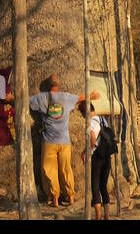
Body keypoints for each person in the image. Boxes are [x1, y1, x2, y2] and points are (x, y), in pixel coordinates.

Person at [29, 76, 99, 208]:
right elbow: (81, 98)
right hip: (65, 141)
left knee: (49, 170)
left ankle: (54, 198)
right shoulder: (67, 97)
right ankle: (70, 196)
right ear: (58, 85)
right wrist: (92, 96)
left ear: (48, 86)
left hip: (49, 141)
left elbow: (24, 100)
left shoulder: (41, 97)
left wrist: (10, 99)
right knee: (66, 169)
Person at [79, 101, 112, 219]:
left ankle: (98, 216)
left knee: (95, 186)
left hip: (97, 157)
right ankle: (107, 215)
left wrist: (88, 150)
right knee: (103, 186)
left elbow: (93, 139)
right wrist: (84, 150)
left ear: (85, 113)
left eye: (82, 114)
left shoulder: (91, 123)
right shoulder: (103, 120)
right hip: (107, 156)